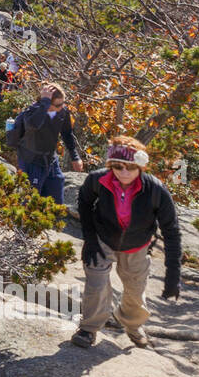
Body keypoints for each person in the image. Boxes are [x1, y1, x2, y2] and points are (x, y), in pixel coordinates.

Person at [72, 136, 182, 349]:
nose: (123, 172)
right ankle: (89, 328)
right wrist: (91, 239)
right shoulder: (97, 180)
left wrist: (173, 275)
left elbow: (172, 231)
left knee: (134, 290)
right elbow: (84, 203)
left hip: (137, 245)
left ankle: (132, 325)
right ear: (110, 165)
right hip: (103, 240)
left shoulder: (155, 190)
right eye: (117, 166)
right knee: (96, 284)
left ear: (140, 166)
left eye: (130, 167)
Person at [13, 82, 84, 201]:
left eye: (63, 103)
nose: (61, 107)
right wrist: (44, 103)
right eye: (57, 105)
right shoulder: (32, 112)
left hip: (50, 159)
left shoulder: (62, 111)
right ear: (46, 103)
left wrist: (74, 156)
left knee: (56, 200)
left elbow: (67, 133)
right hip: (31, 161)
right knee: (29, 202)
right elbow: (33, 125)